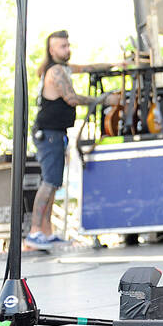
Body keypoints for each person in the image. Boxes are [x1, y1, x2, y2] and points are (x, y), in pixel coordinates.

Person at [27, 30, 118, 249]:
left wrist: (116, 65)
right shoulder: (55, 72)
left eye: (68, 45)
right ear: (51, 50)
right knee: (49, 183)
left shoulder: (65, 68)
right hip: (48, 133)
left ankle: (46, 233)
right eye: (62, 46)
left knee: (54, 183)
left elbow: (87, 68)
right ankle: (35, 232)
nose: (67, 50)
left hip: (56, 133)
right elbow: (71, 98)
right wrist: (104, 99)